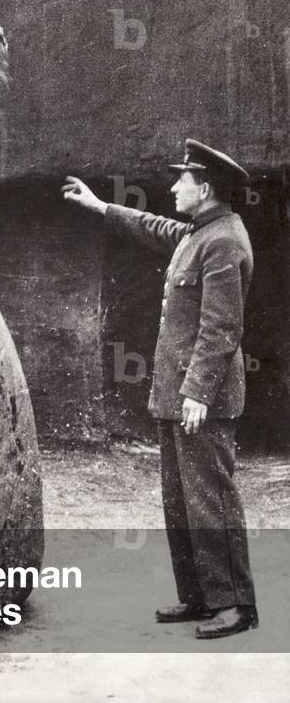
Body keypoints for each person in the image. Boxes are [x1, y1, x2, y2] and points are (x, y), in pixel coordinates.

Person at [62, 139, 258, 639]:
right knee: (182, 500)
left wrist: (197, 393)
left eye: (182, 180)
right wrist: (101, 207)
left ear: (206, 188)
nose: (173, 187)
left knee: (211, 498)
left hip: (201, 400)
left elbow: (221, 328)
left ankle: (236, 604)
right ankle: (199, 596)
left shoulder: (225, 241)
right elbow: (157, 228)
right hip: (179, 397)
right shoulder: (199, 232)